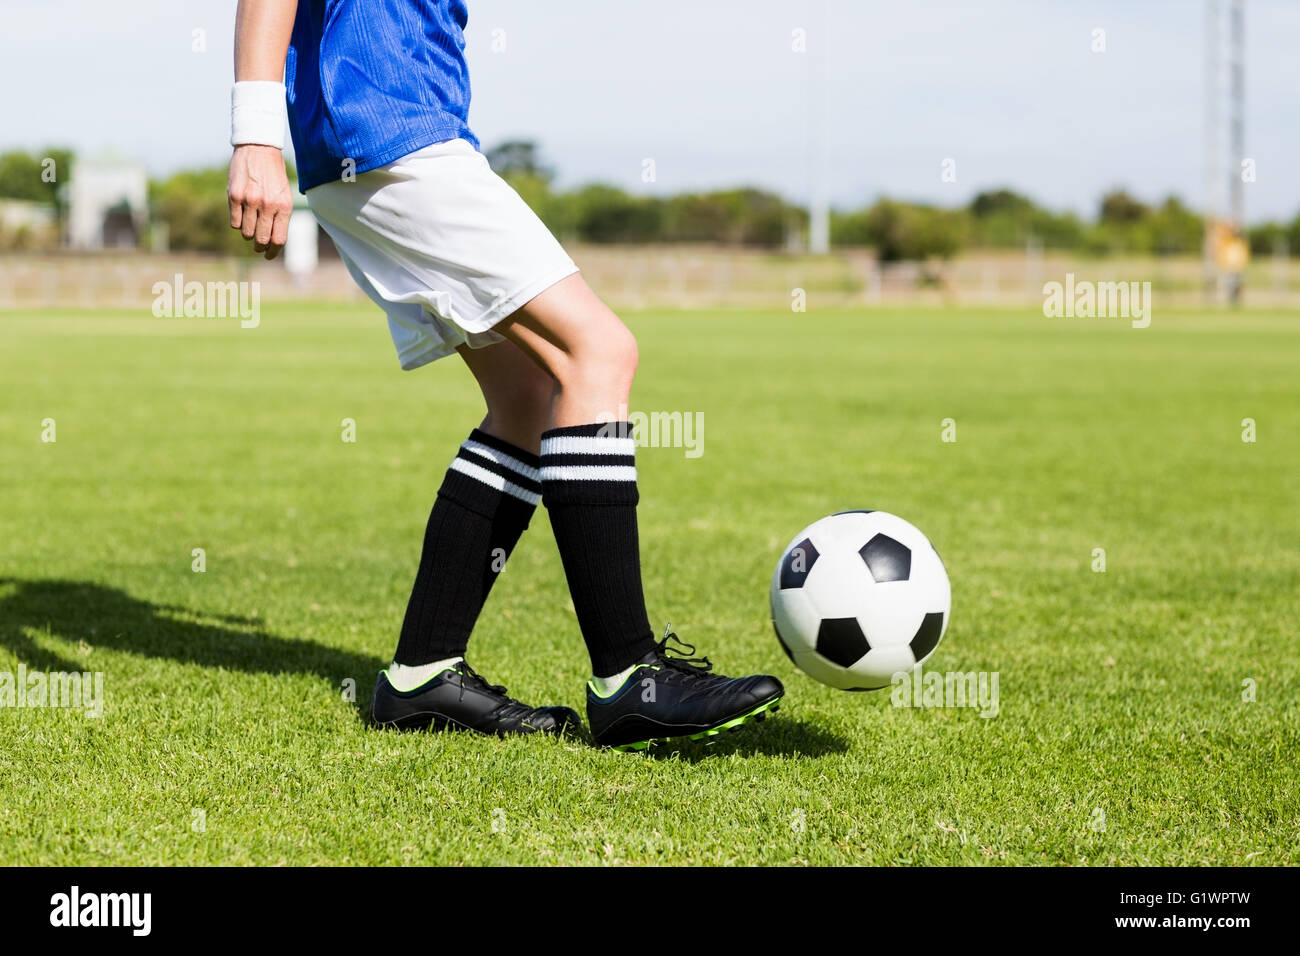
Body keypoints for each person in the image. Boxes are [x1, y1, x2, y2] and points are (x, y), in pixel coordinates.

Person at [226, 0, 782, 750]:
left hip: (399, 133)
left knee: (525, 396)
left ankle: (423, 675)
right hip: (389, 133)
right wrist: (255, 132)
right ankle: (628, 678)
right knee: (600, 352)